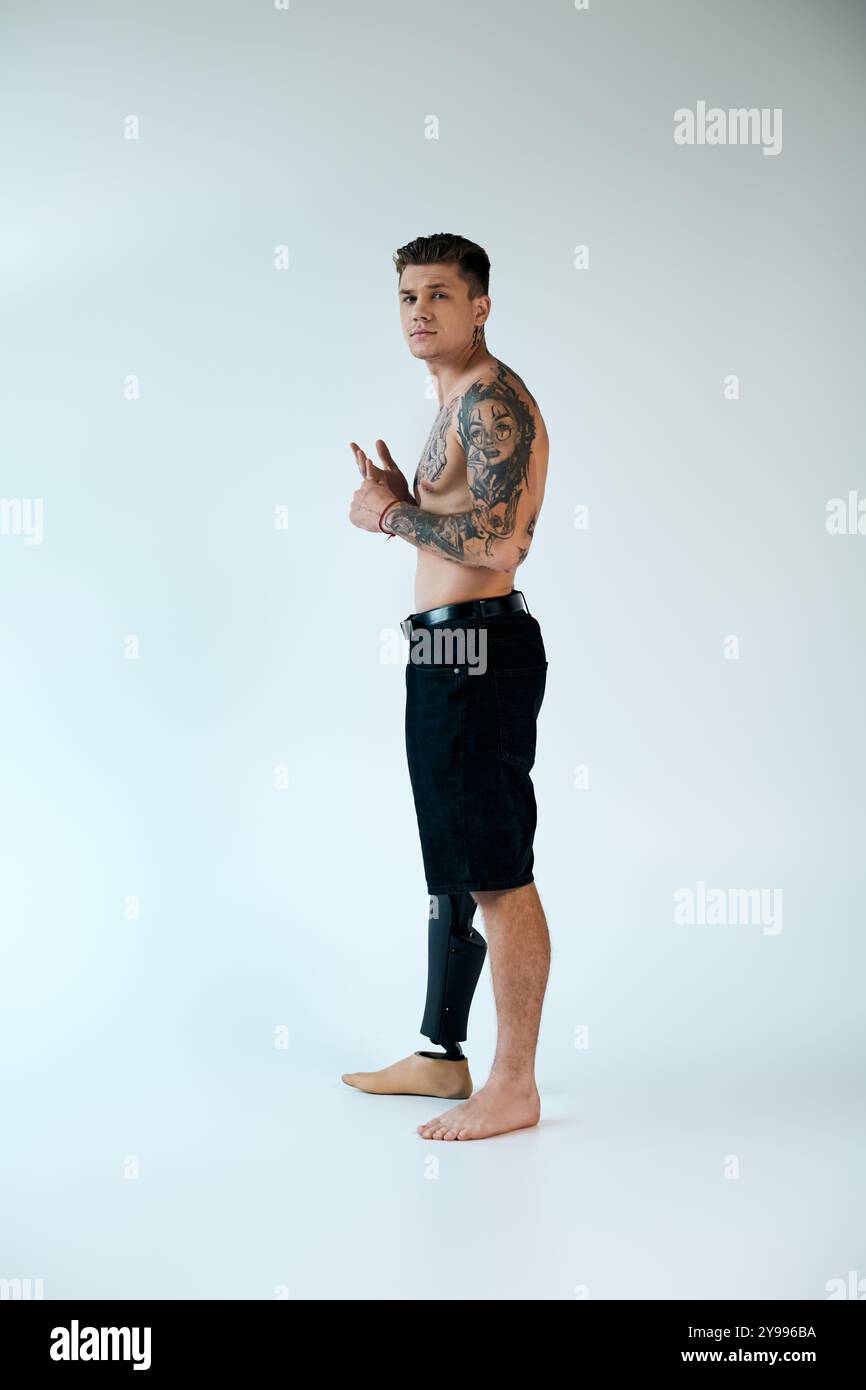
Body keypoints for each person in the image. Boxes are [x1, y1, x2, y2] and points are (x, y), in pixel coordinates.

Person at [345, 232, 550, 1141]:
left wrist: (392, 517)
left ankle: (514, 1085)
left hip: (480, 653)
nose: (420, 310)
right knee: (454, 865)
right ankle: (440, 1054)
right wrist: (413, 508)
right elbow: (462, 522)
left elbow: (501, 547)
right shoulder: (453, 399)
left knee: (498, 874)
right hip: (442, 652)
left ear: (481, 307)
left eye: (439, 294)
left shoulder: (492, 402)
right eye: (406, 297)